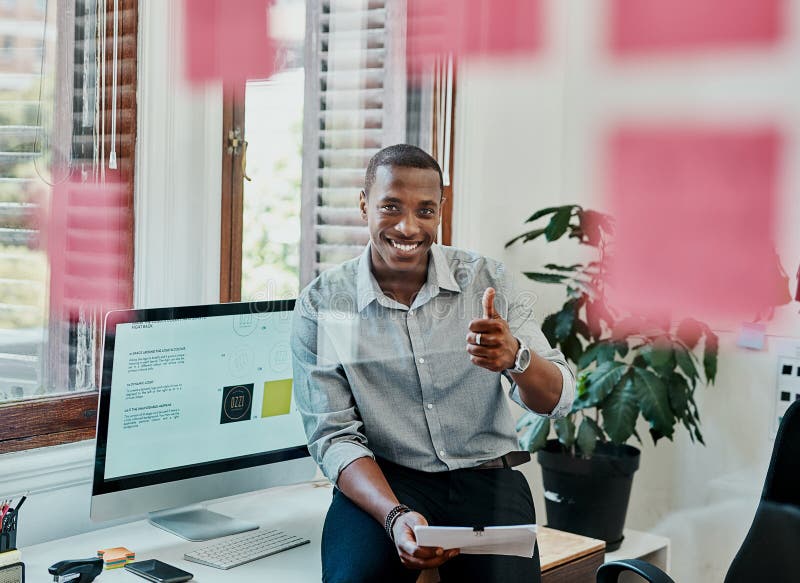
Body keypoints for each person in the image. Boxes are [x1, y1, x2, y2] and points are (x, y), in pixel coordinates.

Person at [291, 144, 575, 582]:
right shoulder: (326, 304)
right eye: (391, 207)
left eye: (425, 211)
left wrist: (515, 358)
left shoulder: (488, 282)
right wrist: (393, 516)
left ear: (442, 209)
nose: (409, 227)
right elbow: (333, 435)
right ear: (364, 203)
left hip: (487, 480)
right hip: (386, 480)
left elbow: (558, 398)